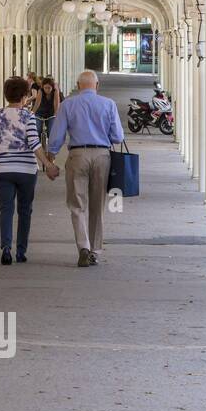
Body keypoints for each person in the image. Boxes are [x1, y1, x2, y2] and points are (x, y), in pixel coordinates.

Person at [46, 69, 125, 267]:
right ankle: (95, 251)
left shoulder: (67, 105)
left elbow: (57, 135)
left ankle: (83, 246)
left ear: (78, 85)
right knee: (98, 205)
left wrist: (51, 156)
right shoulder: (108, 104)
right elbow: (118, 137)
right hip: (102, 156)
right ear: (97, 86)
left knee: (77, 204)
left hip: (77, 155)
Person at [0, 77, 59, 265]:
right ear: (25, 96)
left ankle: (6, 248)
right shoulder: (29, 117)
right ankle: (21, 251)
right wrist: (48, 165)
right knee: (25, 210)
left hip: (2, 170)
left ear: (6, 95)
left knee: (6, 209)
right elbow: (35, 143)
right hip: (26, 170)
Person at [34, 76, 62, 141]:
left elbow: (56, 104)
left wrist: (55, 114)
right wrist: (32, 113)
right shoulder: (40, 91)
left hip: (51, 113)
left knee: (51, 131)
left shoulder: (55, 91)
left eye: (49, 88)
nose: (47, 90)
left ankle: (52, 147)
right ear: (43, 87)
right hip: (40, 112)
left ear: (52, 87)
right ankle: (37, 146)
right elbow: (37, 103)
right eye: (45, 88)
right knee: (37, 129)